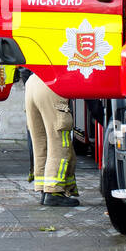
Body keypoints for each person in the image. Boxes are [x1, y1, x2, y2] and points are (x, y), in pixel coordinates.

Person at [24, 71, 79, 207]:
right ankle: (54, 192)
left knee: (40, 143)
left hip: (33, 82)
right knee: (58, 143)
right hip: (53, 82)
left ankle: (44, 189)